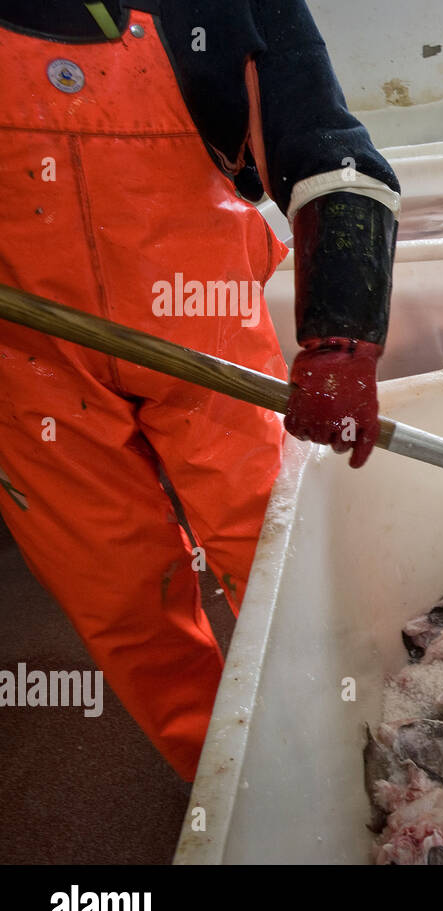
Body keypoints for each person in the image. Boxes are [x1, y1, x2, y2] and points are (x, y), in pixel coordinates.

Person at [0, 0, 400, 779]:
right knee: (124, 602)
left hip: (204, 328)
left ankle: (347, 756)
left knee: (277, 553)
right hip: (28, 366)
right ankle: (235, 788)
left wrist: (341, 335)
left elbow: (329, 146)